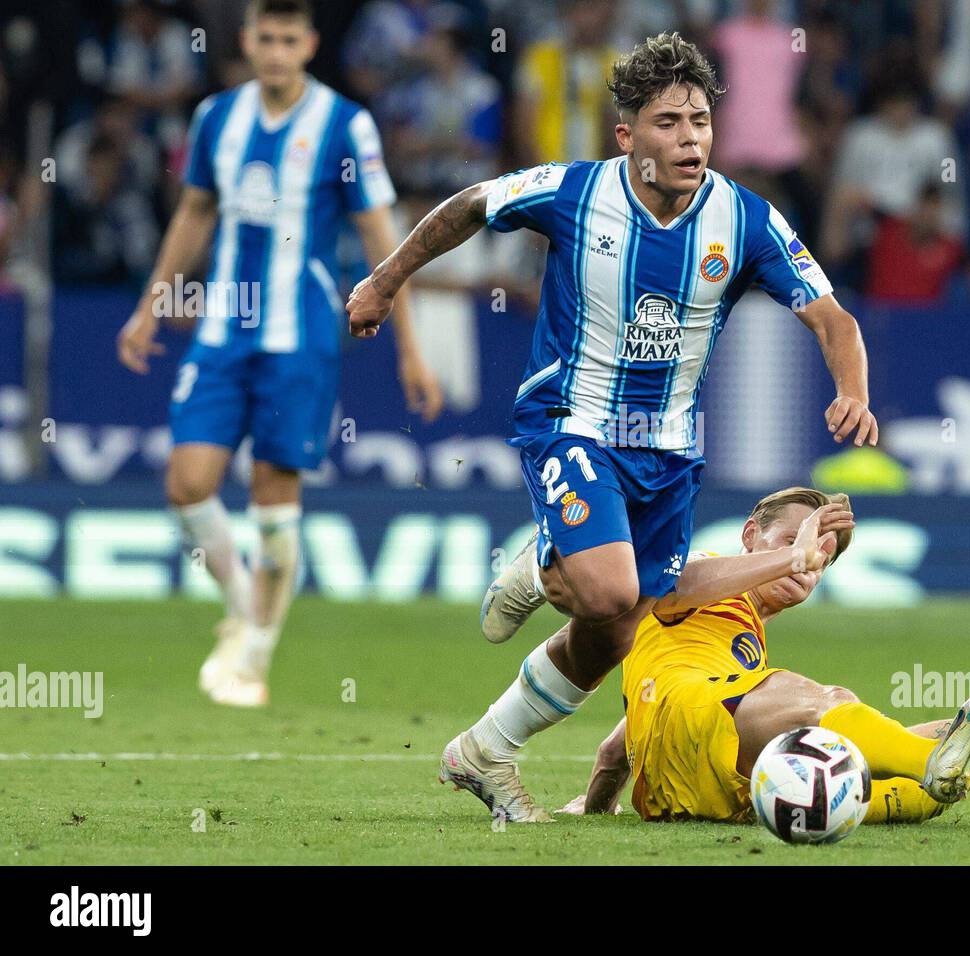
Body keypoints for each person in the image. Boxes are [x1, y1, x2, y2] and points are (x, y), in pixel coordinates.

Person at [346, 32, 877, 821]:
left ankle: (485, 750)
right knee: (609, 586)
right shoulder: (573, 192)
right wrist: (387, 280)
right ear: (627, 135)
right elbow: (467, 207)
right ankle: (545, 558)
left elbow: (834, 320)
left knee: (621, 625)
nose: (690, 137)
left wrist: (852, 392)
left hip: (667, 453)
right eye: (668, 122)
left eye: (699, 119)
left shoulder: (747, 219)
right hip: (572, 421)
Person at [115, 0, 442, 708]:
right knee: (187, 483)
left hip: (300, 341)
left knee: (274, 505)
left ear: (310, 44)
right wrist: (153, 303)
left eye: (289, 39)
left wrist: (411, 349)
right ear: (248, 39)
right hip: (222, 334)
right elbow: (195, 211)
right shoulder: (217, 119)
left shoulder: (344, 124)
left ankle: (255, 658)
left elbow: (384, 243)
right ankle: (242, 607)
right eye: (265, 37)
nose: (275, 51)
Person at [555, 487, 970, 824]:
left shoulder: (732, 649)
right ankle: (924, 764)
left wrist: (595, 808)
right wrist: (792, 557)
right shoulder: (702, 571)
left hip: (703, 787)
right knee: (825, 699)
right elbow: (668, 588)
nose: (808, 562)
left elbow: (614, 751)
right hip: (690, 723)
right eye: (793, 541)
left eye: (820, 558)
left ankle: (851, 798)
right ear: (751, 534)